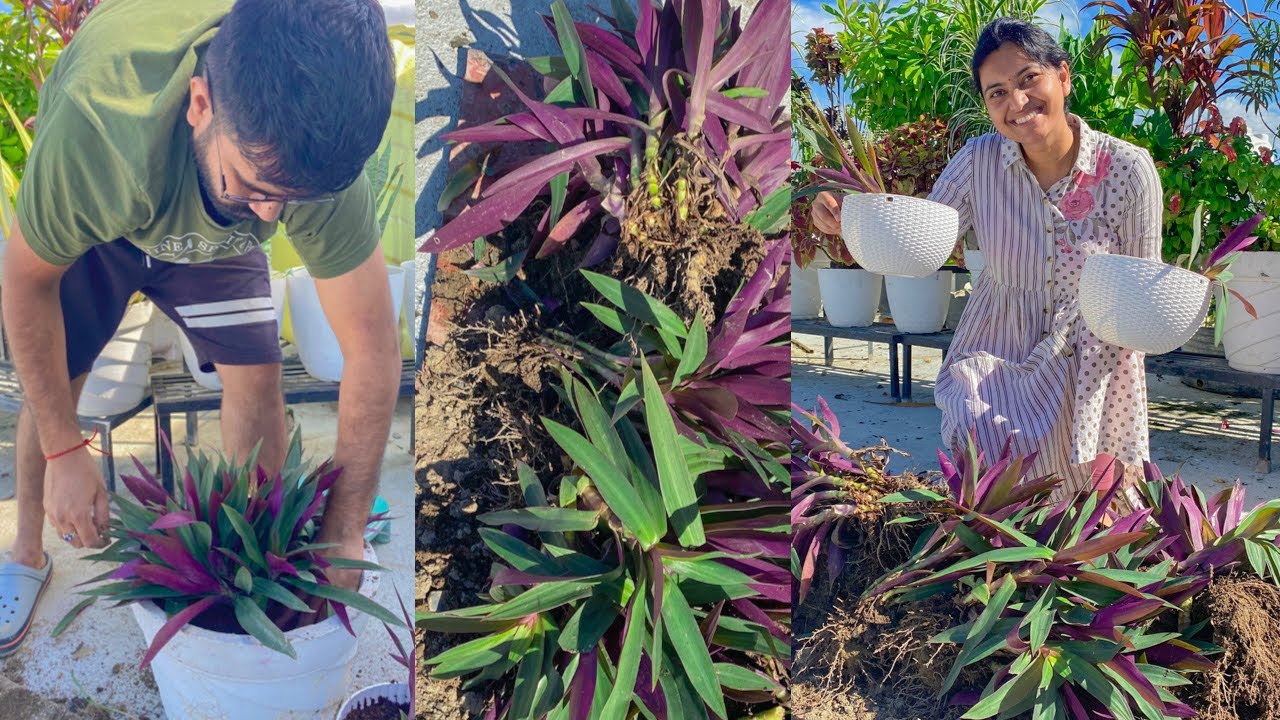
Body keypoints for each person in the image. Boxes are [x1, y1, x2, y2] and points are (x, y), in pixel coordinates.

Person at [0, 0, 401, 657]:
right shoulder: (100, 123)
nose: (273, 215)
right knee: (57, 379)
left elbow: (373, 352)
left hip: (214, 236)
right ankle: (21, 555)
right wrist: (64, 450)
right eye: (256, 185)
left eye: (292, 200)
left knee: (257, 375)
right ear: (200, 102)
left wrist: (346, 529)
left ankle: (259, 542)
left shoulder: (315, 162)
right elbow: (26, 282)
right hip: (110, 222)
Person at [811, 17, 1161, 504]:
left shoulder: (1128, 169)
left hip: (1091, 355)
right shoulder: (979, 160)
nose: (1016, 103)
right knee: (995, 488)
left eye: (1028, 79)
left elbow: (1146, 287)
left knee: (1086, 505)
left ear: (1063, 76)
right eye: (997, 93)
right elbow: (924, 238)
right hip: (1000, 343)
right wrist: (847, 215)